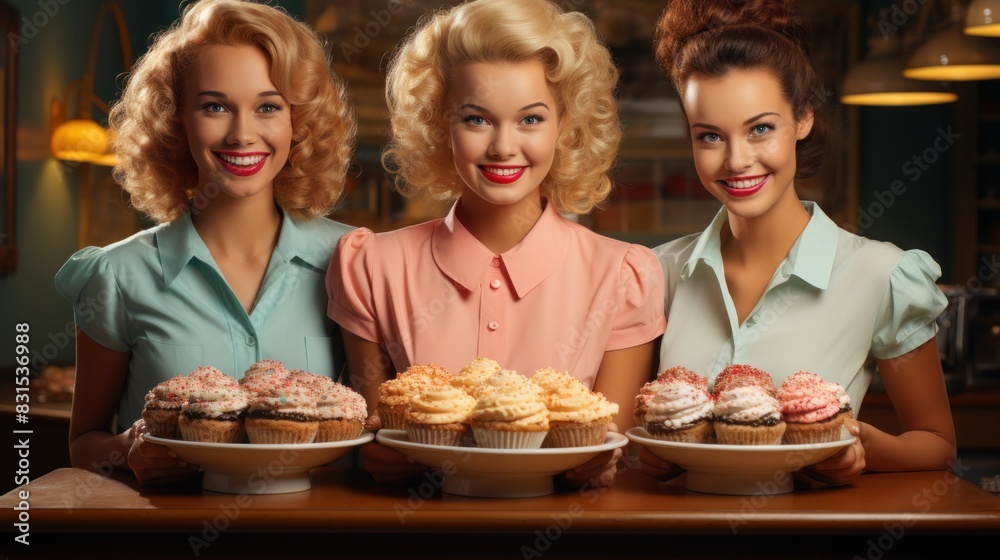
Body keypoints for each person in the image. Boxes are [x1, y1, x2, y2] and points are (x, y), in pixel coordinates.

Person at [326, 0, 666, 487]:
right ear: (438, 123)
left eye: (530, 120)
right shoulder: (371, 266)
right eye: (476, 119)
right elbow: (379, 440)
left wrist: (598, 463)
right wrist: (380, 454)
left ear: (566, 125)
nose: (503, 147)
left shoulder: (623, 276)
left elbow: (613, 455)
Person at [641, 0, 956, 485]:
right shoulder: (655, 273)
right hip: (674, 524)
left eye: (760, 129)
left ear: (803, 118)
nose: (736, 160)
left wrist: (861, 448)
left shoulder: (882, 275)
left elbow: (936, 443)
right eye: (710, 137)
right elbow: (628, 437)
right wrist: (648, 454)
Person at [54, 0, 356, 486]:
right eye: (215, 106)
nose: (242, 134)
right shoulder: (116, 276)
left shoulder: (353, 261)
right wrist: (126, 450)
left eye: (268, 107)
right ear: (176, 121)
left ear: (298, 121)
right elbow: (84, 444)